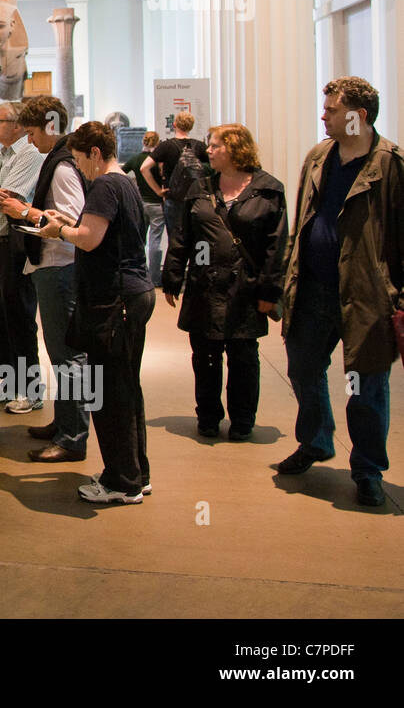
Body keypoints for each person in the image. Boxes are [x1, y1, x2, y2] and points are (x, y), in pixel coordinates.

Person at [277, 77, 404, 507]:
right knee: (302, 367)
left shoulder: (390, 164)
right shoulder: (318, 157)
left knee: (365, 385)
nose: (323, 115)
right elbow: (303, 221)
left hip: (367, 294)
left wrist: (397, 296)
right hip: (312, 288)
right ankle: (316, 441)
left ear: (358, 115)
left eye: (331, 109)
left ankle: (368, 468)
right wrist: (289, 274)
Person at [39, 121, 155, 504]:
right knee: (126, 389)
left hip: (114, 301)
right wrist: (67, 224)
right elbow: (97, 231)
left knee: (109, 394)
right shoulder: (126, 183)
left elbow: (89, 239)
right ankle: (135, 472)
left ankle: (121, 482)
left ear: (94, 153)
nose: (78, 167)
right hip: (131, 296)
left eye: (78, 159)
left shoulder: (105, 184)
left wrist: (60, 232)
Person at [162, 124, 287, 442]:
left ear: (234, 148)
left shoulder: (268, 189)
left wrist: (270, 290)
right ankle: (207, 416)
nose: (209, 150)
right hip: (205, 284)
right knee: (204, 354)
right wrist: (173, 275)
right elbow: (183, 235)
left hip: (246, 287)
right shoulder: (200, 188)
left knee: (244, 355)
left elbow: (277, 245)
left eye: (215, 145)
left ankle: (243, 419)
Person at [0, 96, 88, 462]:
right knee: (60, 353)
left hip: (59, 267)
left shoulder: (64, 167)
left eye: (33, 132)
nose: (30, 140)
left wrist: (25, 211)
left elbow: (70, 223)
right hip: (51, 267)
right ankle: (65, 423)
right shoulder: (58, 160)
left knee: (67, 356)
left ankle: (73, 435)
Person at [0, 101, 44, 411]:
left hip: (16, 243)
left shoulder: (29, 155)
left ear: (19, 126)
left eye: (0, 121)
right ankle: (9, 382)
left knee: (19, 316)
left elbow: (9, 198)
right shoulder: (3, 156)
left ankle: (31, 390)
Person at [145, 112, 208, 244]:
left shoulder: (166, 146)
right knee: (197, 240)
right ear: (191, 126)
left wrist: (157, 190)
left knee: (175, 242)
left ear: (174, 124)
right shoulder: (200, 146)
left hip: (173, 198)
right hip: (196, 198)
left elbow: (144, 168)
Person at [124, 131, 165, 287]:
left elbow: (122, 173)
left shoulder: (135, 159)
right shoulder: (157, 161)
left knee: (140, 239)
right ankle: (155, 278)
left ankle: (138, 274)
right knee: (155, 241)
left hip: (141, 204)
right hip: (156, 204)